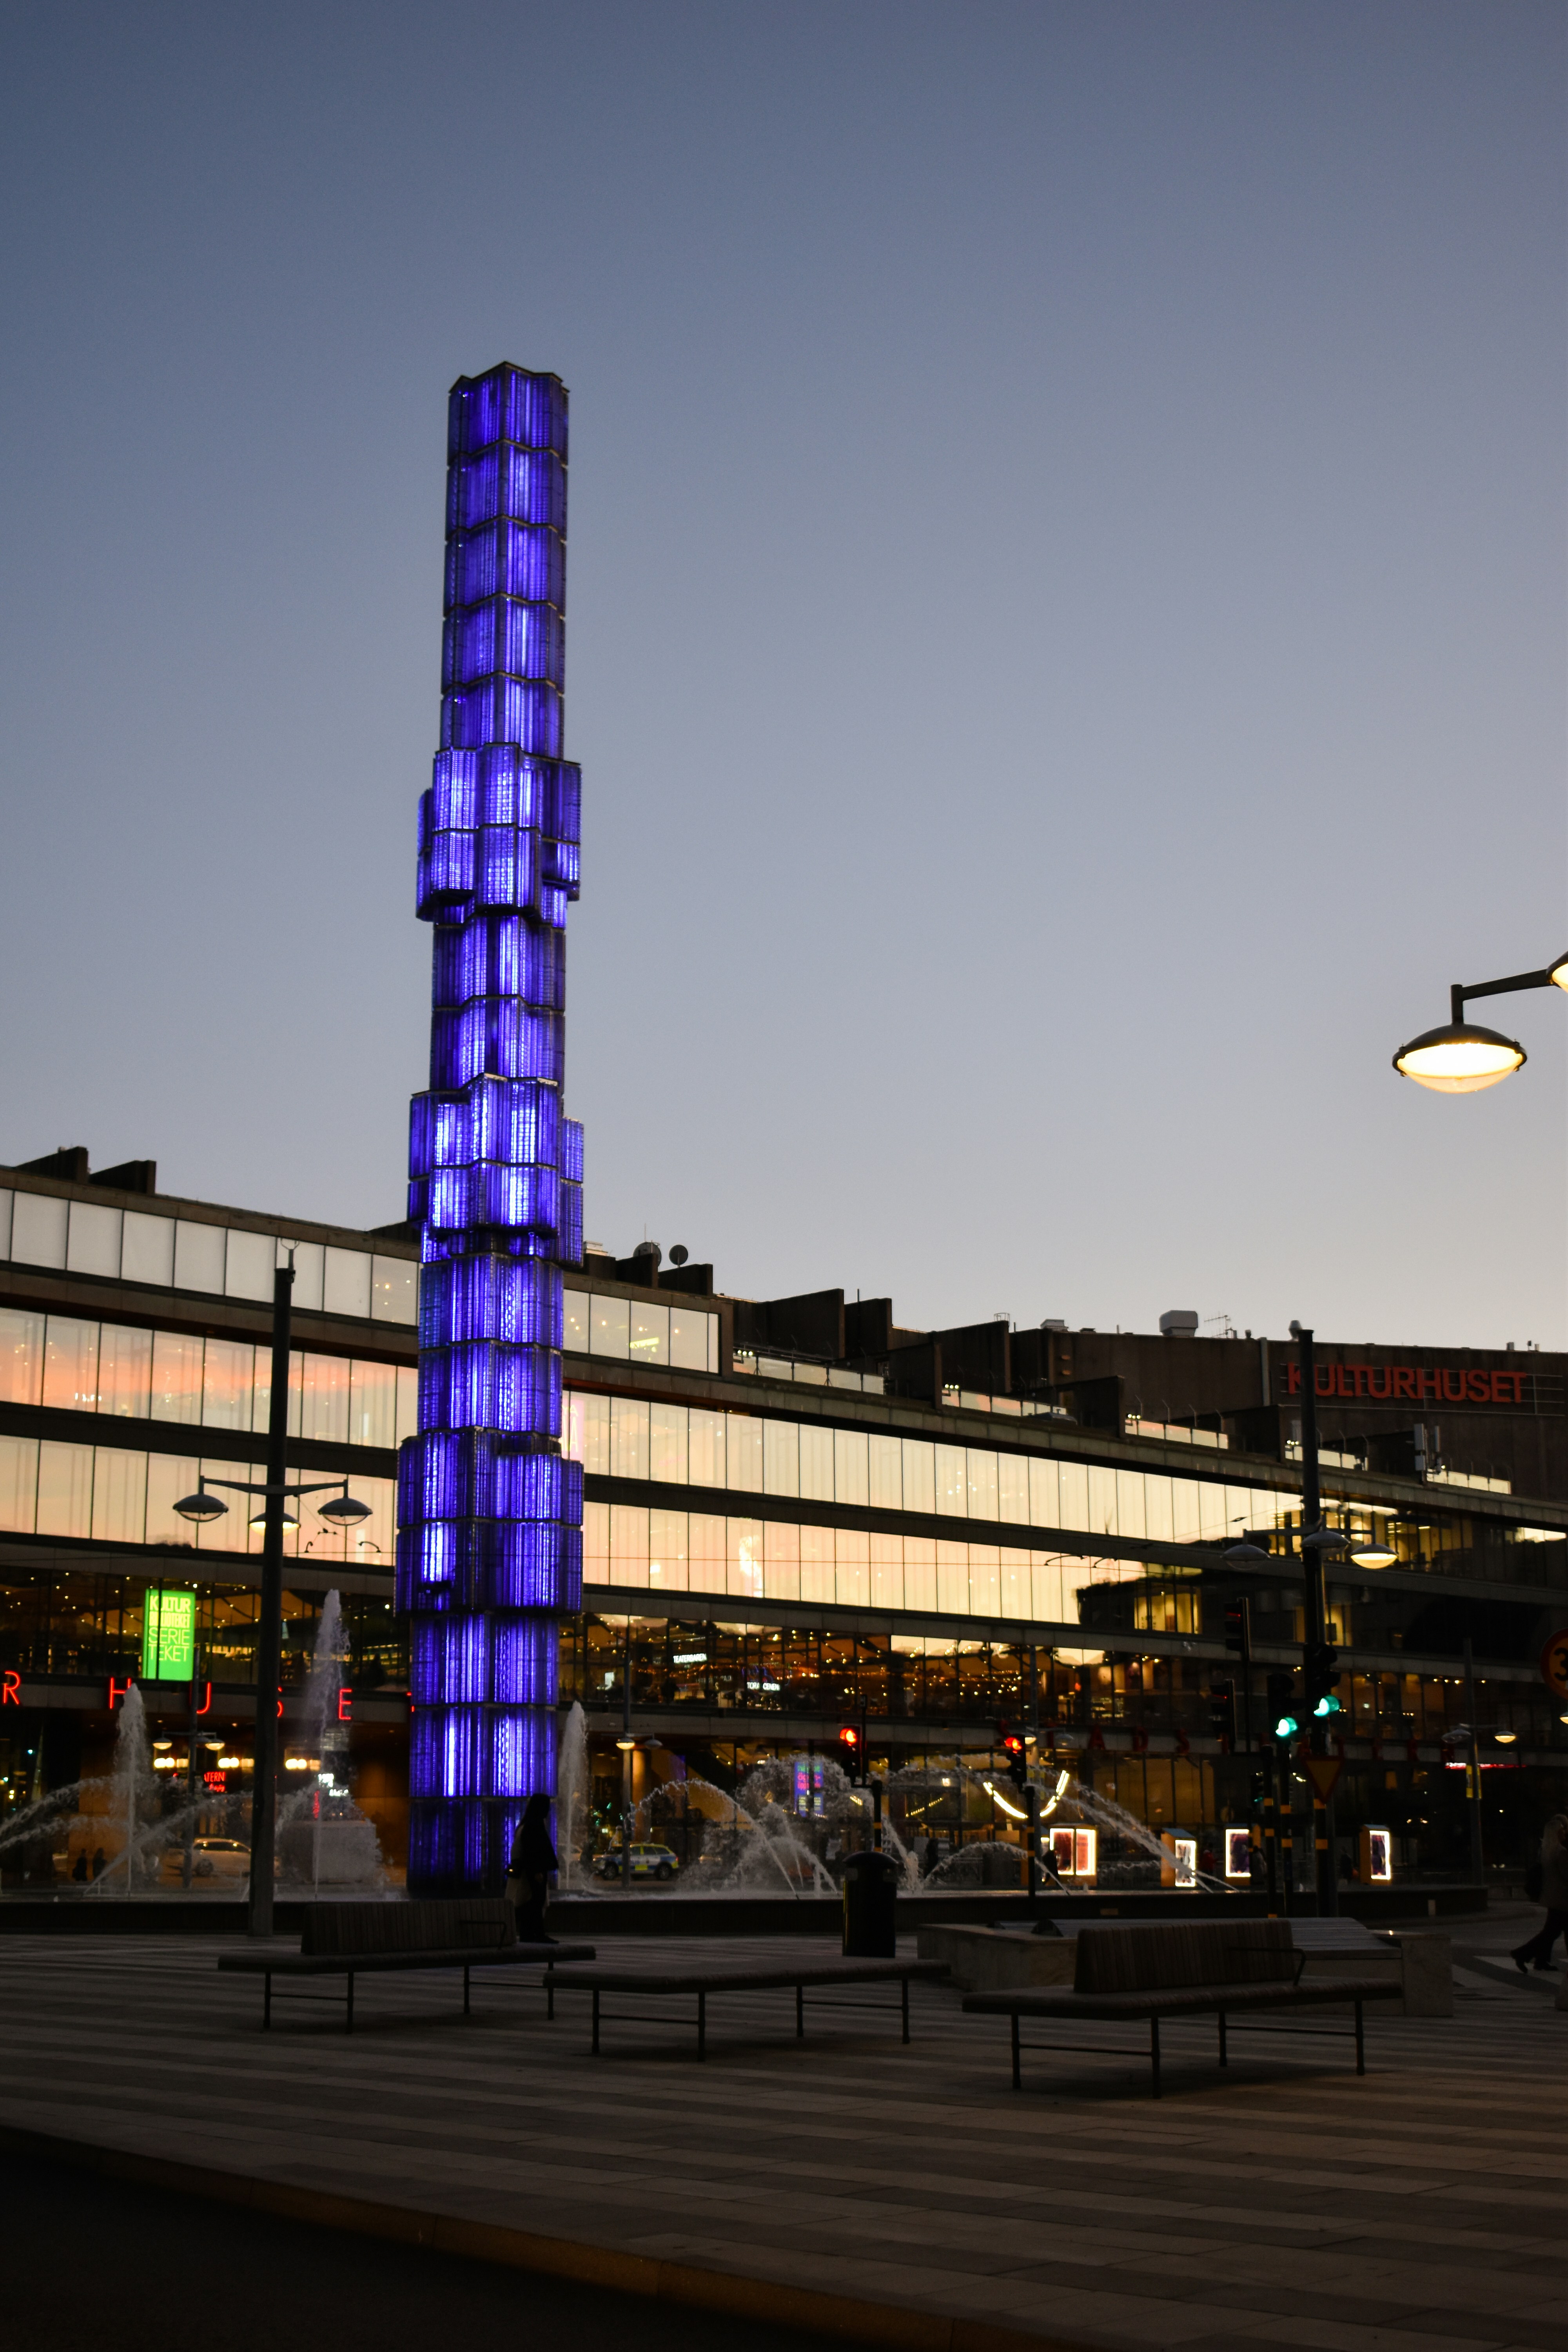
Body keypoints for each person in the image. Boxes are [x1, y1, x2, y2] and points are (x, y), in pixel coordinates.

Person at [1512, 1814, 1568, 1974]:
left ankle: (1537, 1959)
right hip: (1563, 1899)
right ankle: (1522, 1954)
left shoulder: (1545, 1851)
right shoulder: (1561, 1852)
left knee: (1551, 1932)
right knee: (1551, 1933)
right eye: (1562, 1832)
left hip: (1552, 1896)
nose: (1564, 1834)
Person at [506, 1794, 558, 1945]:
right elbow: (533, 1851)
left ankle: (529, 1934)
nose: (548, 1810)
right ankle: (537, 1934)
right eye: (546, 1807)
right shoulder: (534, 1825)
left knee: (532, 1902)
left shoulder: (528, 1823)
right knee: (536, 1902)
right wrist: (537, 1872)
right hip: (535, 1871)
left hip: (531, 1870)